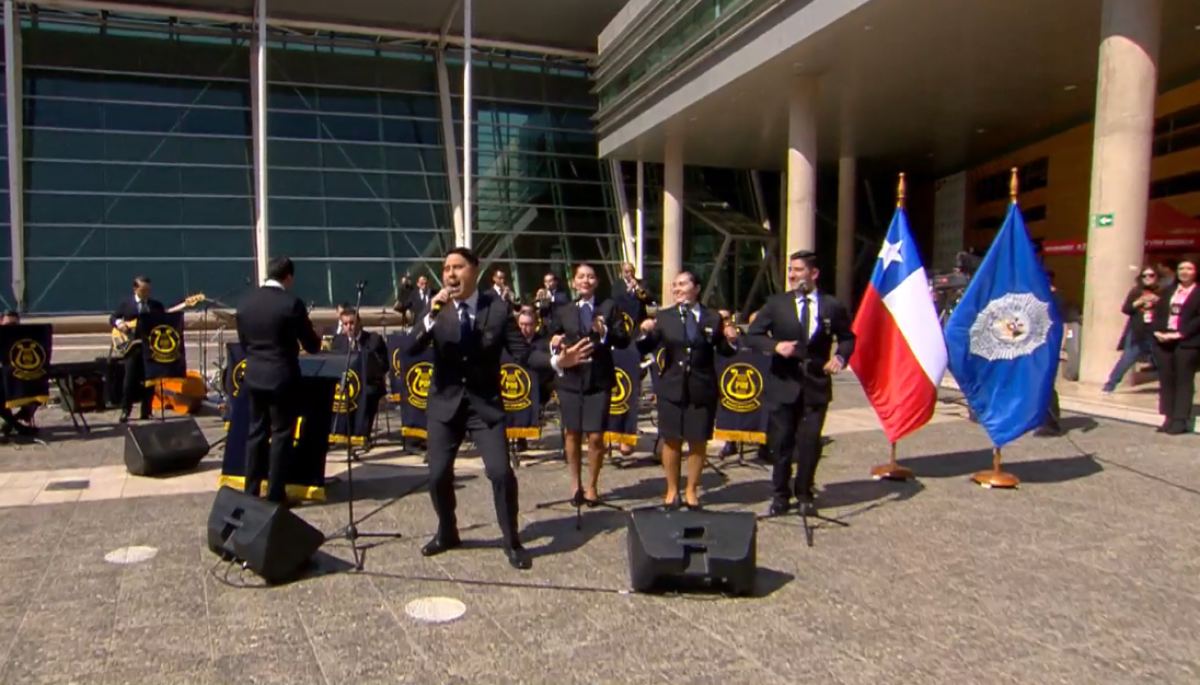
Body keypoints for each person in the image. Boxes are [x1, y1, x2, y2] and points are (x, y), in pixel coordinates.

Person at [402, 247, 585, 570]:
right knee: (437, 475)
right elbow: (411, 347)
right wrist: (430, 315)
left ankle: (512, 539)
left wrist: (557, 361)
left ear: (474, 271)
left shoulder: (498, 309)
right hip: (445, 404)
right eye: (446, 268)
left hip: (484, 406)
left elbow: (524, 354)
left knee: (501, 472)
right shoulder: (436, 309)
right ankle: (447, 532)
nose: (450, 274)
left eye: (457, 267)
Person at [746, 250, 855, 516]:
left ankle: (805, 492)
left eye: (798, 270)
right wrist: (775, 346)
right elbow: (754, 335)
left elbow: (847, 337)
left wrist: (840, 356)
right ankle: (780, 494)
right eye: (790, 271)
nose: (792, 276)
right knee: (782, 443)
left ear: (813, 274)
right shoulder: (776, 304)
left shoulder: (831, 305)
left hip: (815, 384)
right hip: (783, 383)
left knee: (809, 442)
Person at [637, 272, 738, 509]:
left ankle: (692, 490)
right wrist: (645, 332)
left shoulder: (712, 317)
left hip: (701, 386)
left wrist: (731, 339)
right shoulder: (665, 317)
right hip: (671, 386)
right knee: (671, 440)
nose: (677, 289)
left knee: (698, 440)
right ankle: (672, 490)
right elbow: (645, 346)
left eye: (682, 284)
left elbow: (724, 350)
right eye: (674, 285)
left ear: (697, 288)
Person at [235, 257, 323, 503]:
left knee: (256, 433)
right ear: (289, 277)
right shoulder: (291, 304)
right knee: (282, 433)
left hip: (253, 374)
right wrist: (317, 336)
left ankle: (250, 491)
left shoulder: (245, 303)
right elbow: (310, 344)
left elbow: (244, 343)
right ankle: (275, 494)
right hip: (281, 376)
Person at [546, 262, 632, 505]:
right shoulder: (564, 309)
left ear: (597, 282)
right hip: (571, 380)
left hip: (599, 379)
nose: (585, 280)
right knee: (572, 432)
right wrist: (554, 343)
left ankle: (593, 485)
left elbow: (624, 339)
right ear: (574, 282)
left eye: (590, 277)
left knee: (595, 436)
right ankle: (576, 485)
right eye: (581, 277)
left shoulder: (609, 306)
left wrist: (604, 332)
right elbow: (550, 336)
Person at [109, 276, 191, 423]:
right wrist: (119, 323)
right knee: (129, 380)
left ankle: (146, 411)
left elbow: (163, 321)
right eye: (143, 290)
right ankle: (125, 410)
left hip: (150, 348)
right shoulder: (127, 304)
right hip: (132, 347)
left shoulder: (155, 305)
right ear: (136, 289)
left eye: (148, 290)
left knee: (151, 379)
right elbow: (113, 317)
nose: (147, 293)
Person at [1150, 257, 1200, 435]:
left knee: (1183, 380)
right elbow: (1158, 312)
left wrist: (1181, 333)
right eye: (1181, 269)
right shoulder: (1168, 291)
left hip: (1187, 342)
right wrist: (1157, 331)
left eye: (1189, 268)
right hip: (1164, 340)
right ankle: (1168, 416)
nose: (1184, 272)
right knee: (1166, 380)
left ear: (1196, 272)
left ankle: (1180, 419)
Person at [1102, 266, 1161, 394]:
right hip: (1137, 331)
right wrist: (1138, 302)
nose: (1148, 278)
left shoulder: (1163, 292)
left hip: (1156, 331)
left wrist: (1158, 301)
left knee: (1161, 360)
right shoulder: (1136, 291)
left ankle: (1168, 388)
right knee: (1127, 358)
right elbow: (1126, 309)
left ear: (1156, 277)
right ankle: (1110, 385)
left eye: (1151, 275)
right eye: (1145, 276)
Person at [331, 307, 389, 435]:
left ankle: (361, 433)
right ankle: (340, 431)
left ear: (359, 322)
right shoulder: (338, 342)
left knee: (368, 393)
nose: (349, 327)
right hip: (347, 385)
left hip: (369, 384)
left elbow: (384, 366)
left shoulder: (374, 340)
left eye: (352, 323)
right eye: (345, 324)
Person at [0, 311, 36, 438]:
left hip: (22, 377)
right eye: (8, 325)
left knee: (39, 384)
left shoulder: (25, 338)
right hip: (3, 378)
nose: (11, 329)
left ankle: (16, 420)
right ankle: (13, 424)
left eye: (15, 325)